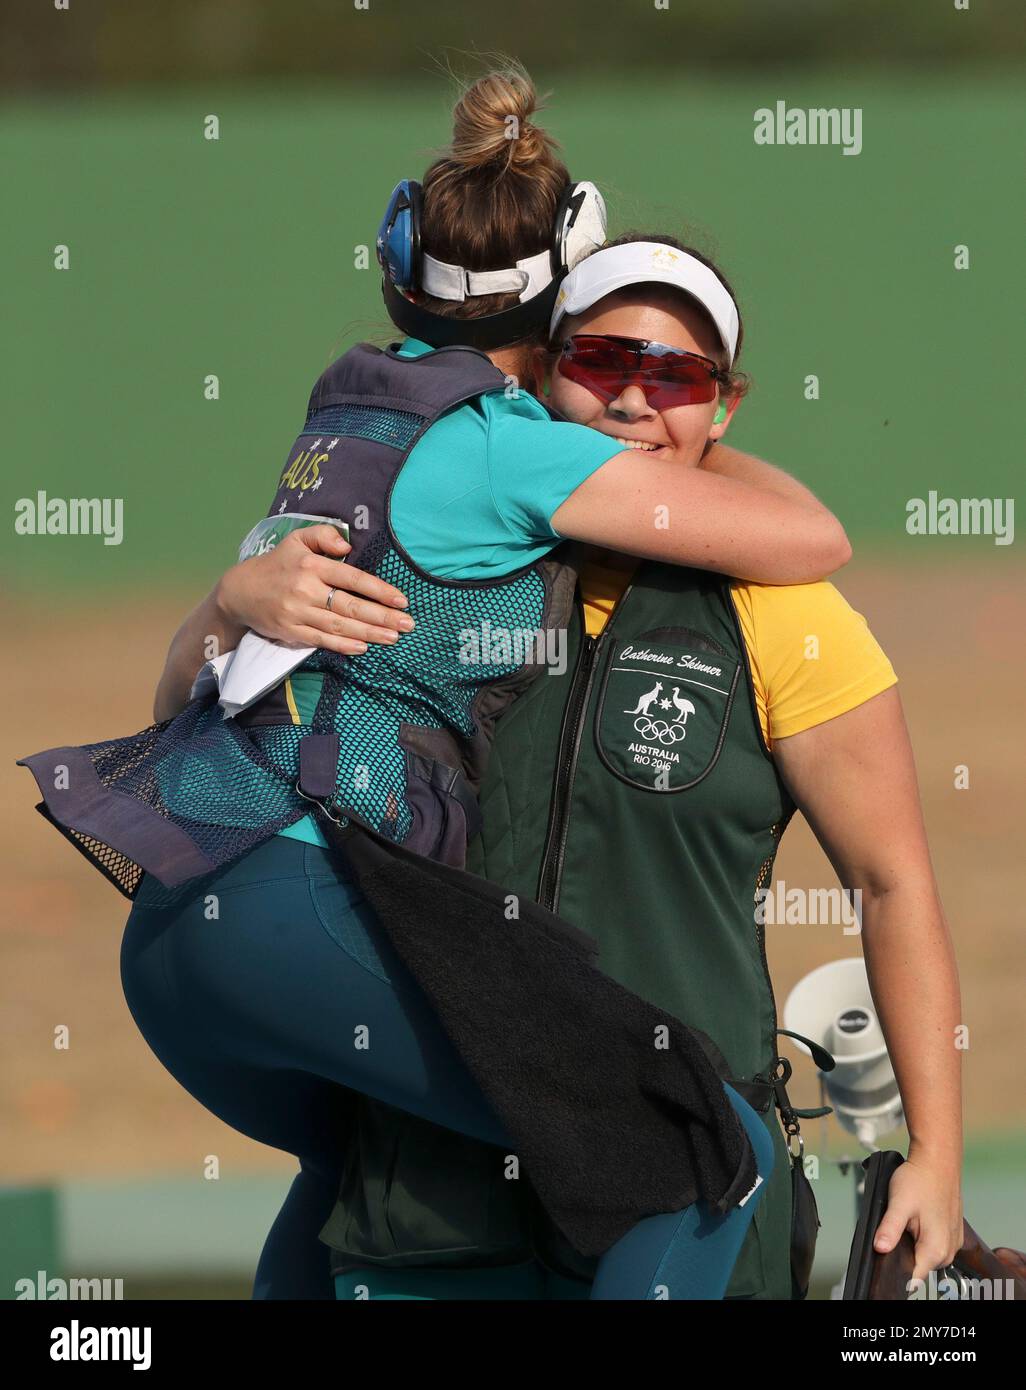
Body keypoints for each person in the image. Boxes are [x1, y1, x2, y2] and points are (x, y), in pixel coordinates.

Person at [17, 66, 851, 1300]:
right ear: (568, 278)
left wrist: (220, 603)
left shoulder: (342, 414)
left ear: (400, 266)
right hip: (297, 905)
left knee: (353, 1158)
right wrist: (692, 415)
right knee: (696, 1146)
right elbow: (813, 538)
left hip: (176, 928)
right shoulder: (514, 445)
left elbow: (171, 702)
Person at [263, 234, 961, 1301]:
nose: (636, 397)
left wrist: (938, 1155)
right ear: (542, 375)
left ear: (725, 407)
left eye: (676, 375)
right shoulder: (437, 562)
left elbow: (892, 881)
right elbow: (223, 709)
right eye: (601, 363)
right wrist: (226, 609)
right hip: (439, 1198)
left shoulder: (785, 614)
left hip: (690, 1183)